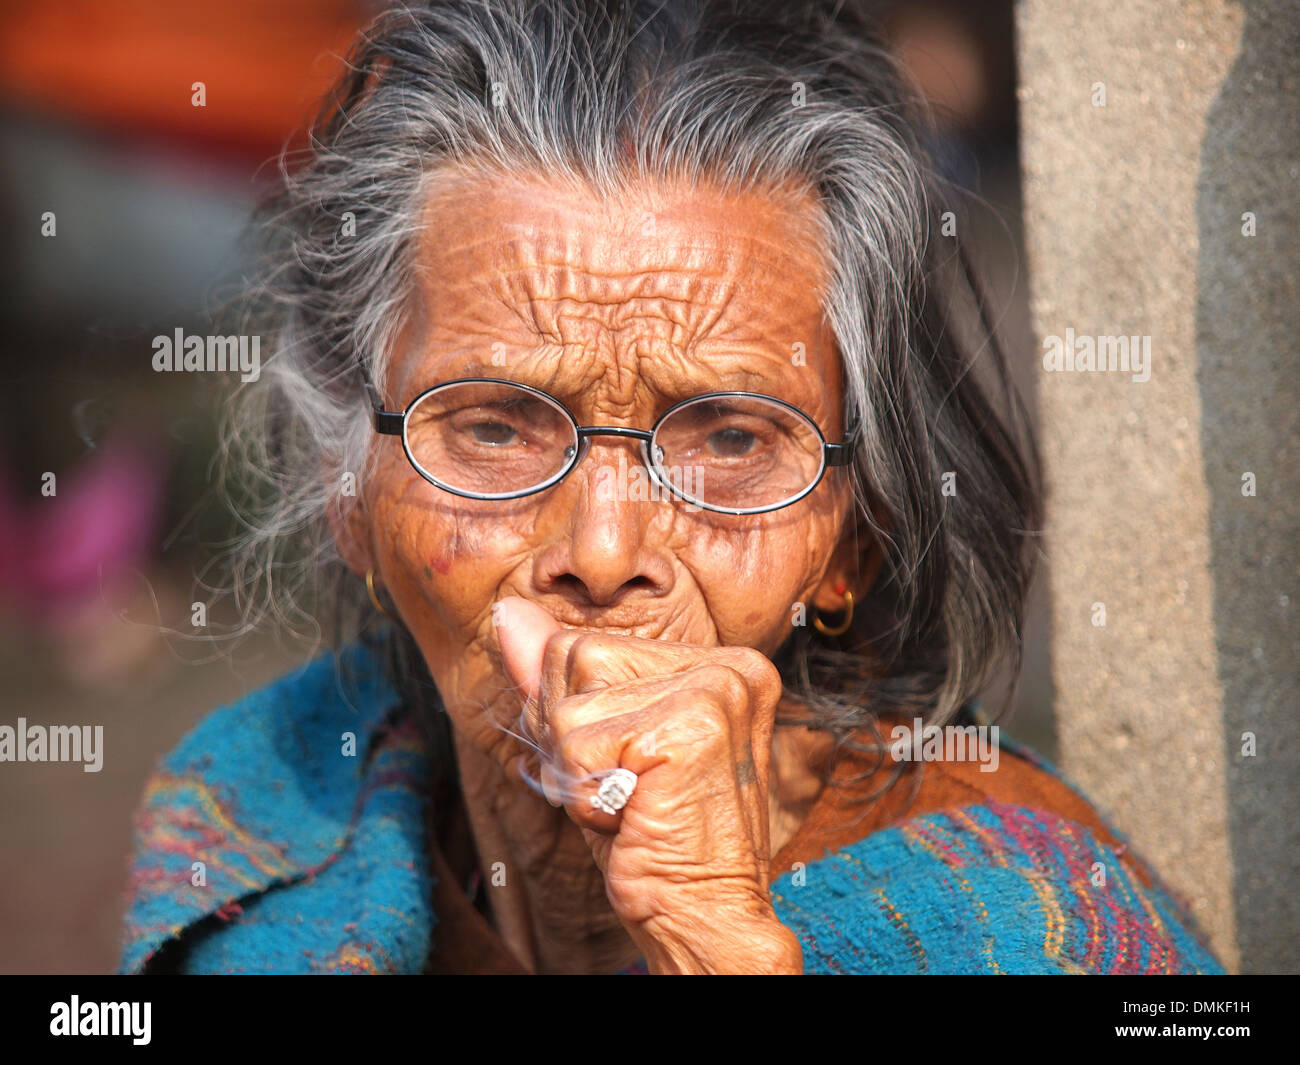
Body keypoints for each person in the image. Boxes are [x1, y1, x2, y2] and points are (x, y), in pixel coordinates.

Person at [118, 0, 1223, 975]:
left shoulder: (1035, 931)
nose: (601, 552)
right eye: (496, 427)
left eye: (732, 440)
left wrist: (714, 947)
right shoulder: (256, 832)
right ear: (344, 484)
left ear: (857, 538)